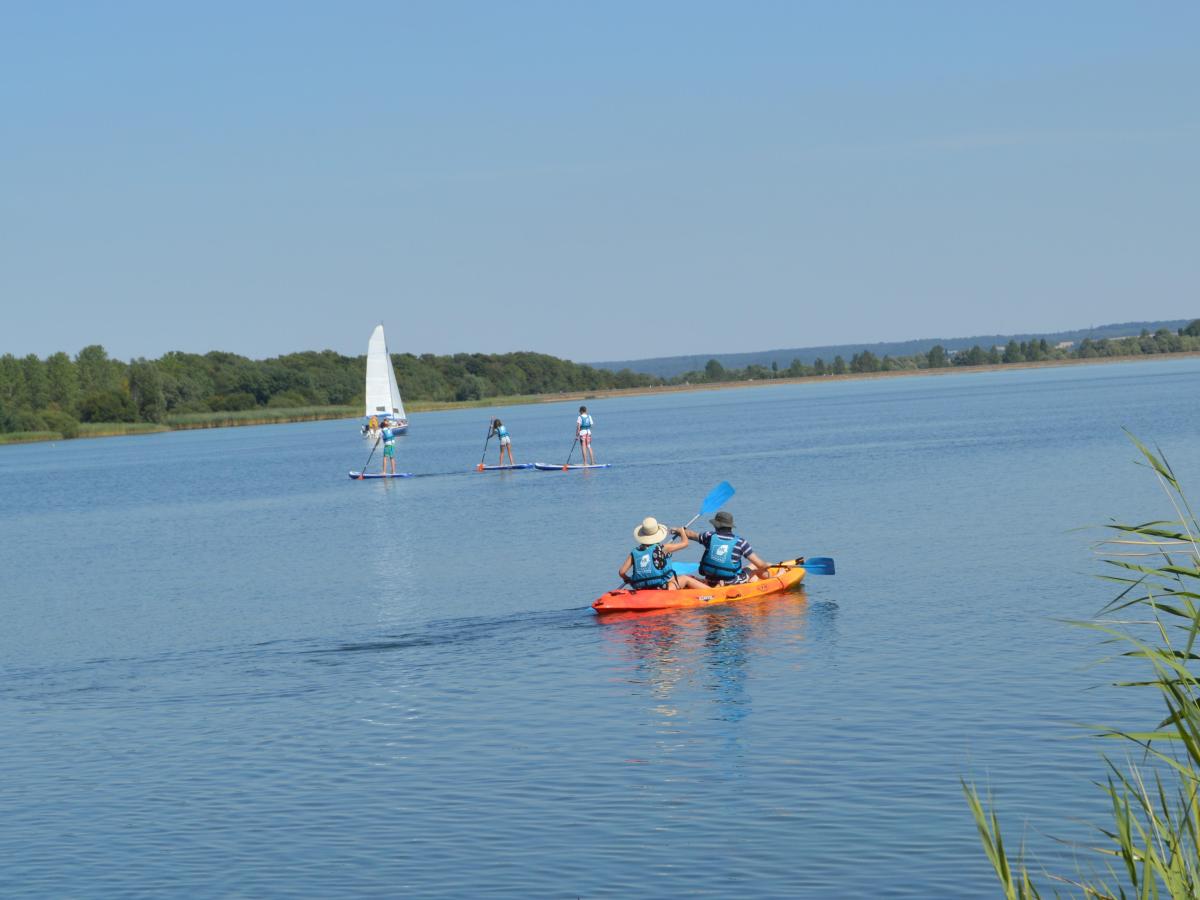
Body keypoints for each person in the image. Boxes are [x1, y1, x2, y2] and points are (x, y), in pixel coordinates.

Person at [676, 510, 773, 586]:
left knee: (750, 566)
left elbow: (691, 534)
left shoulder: (708, 536)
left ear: (716, 525)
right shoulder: (741, 542)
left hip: (710, 579)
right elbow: (760, 565)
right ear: (730, 526)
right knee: (754, 568)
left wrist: (678, 531)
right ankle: (774, 578)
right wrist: (767, 566)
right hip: (730, 581)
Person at [619, 517, 710, 591]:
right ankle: (712, 592)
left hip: (641, 588)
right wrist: (681, 531)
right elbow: (685, 543)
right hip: (663, 588)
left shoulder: (635, 552)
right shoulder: (663, 548)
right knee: (685, 578)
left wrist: (628, 579)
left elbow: (622, 572)